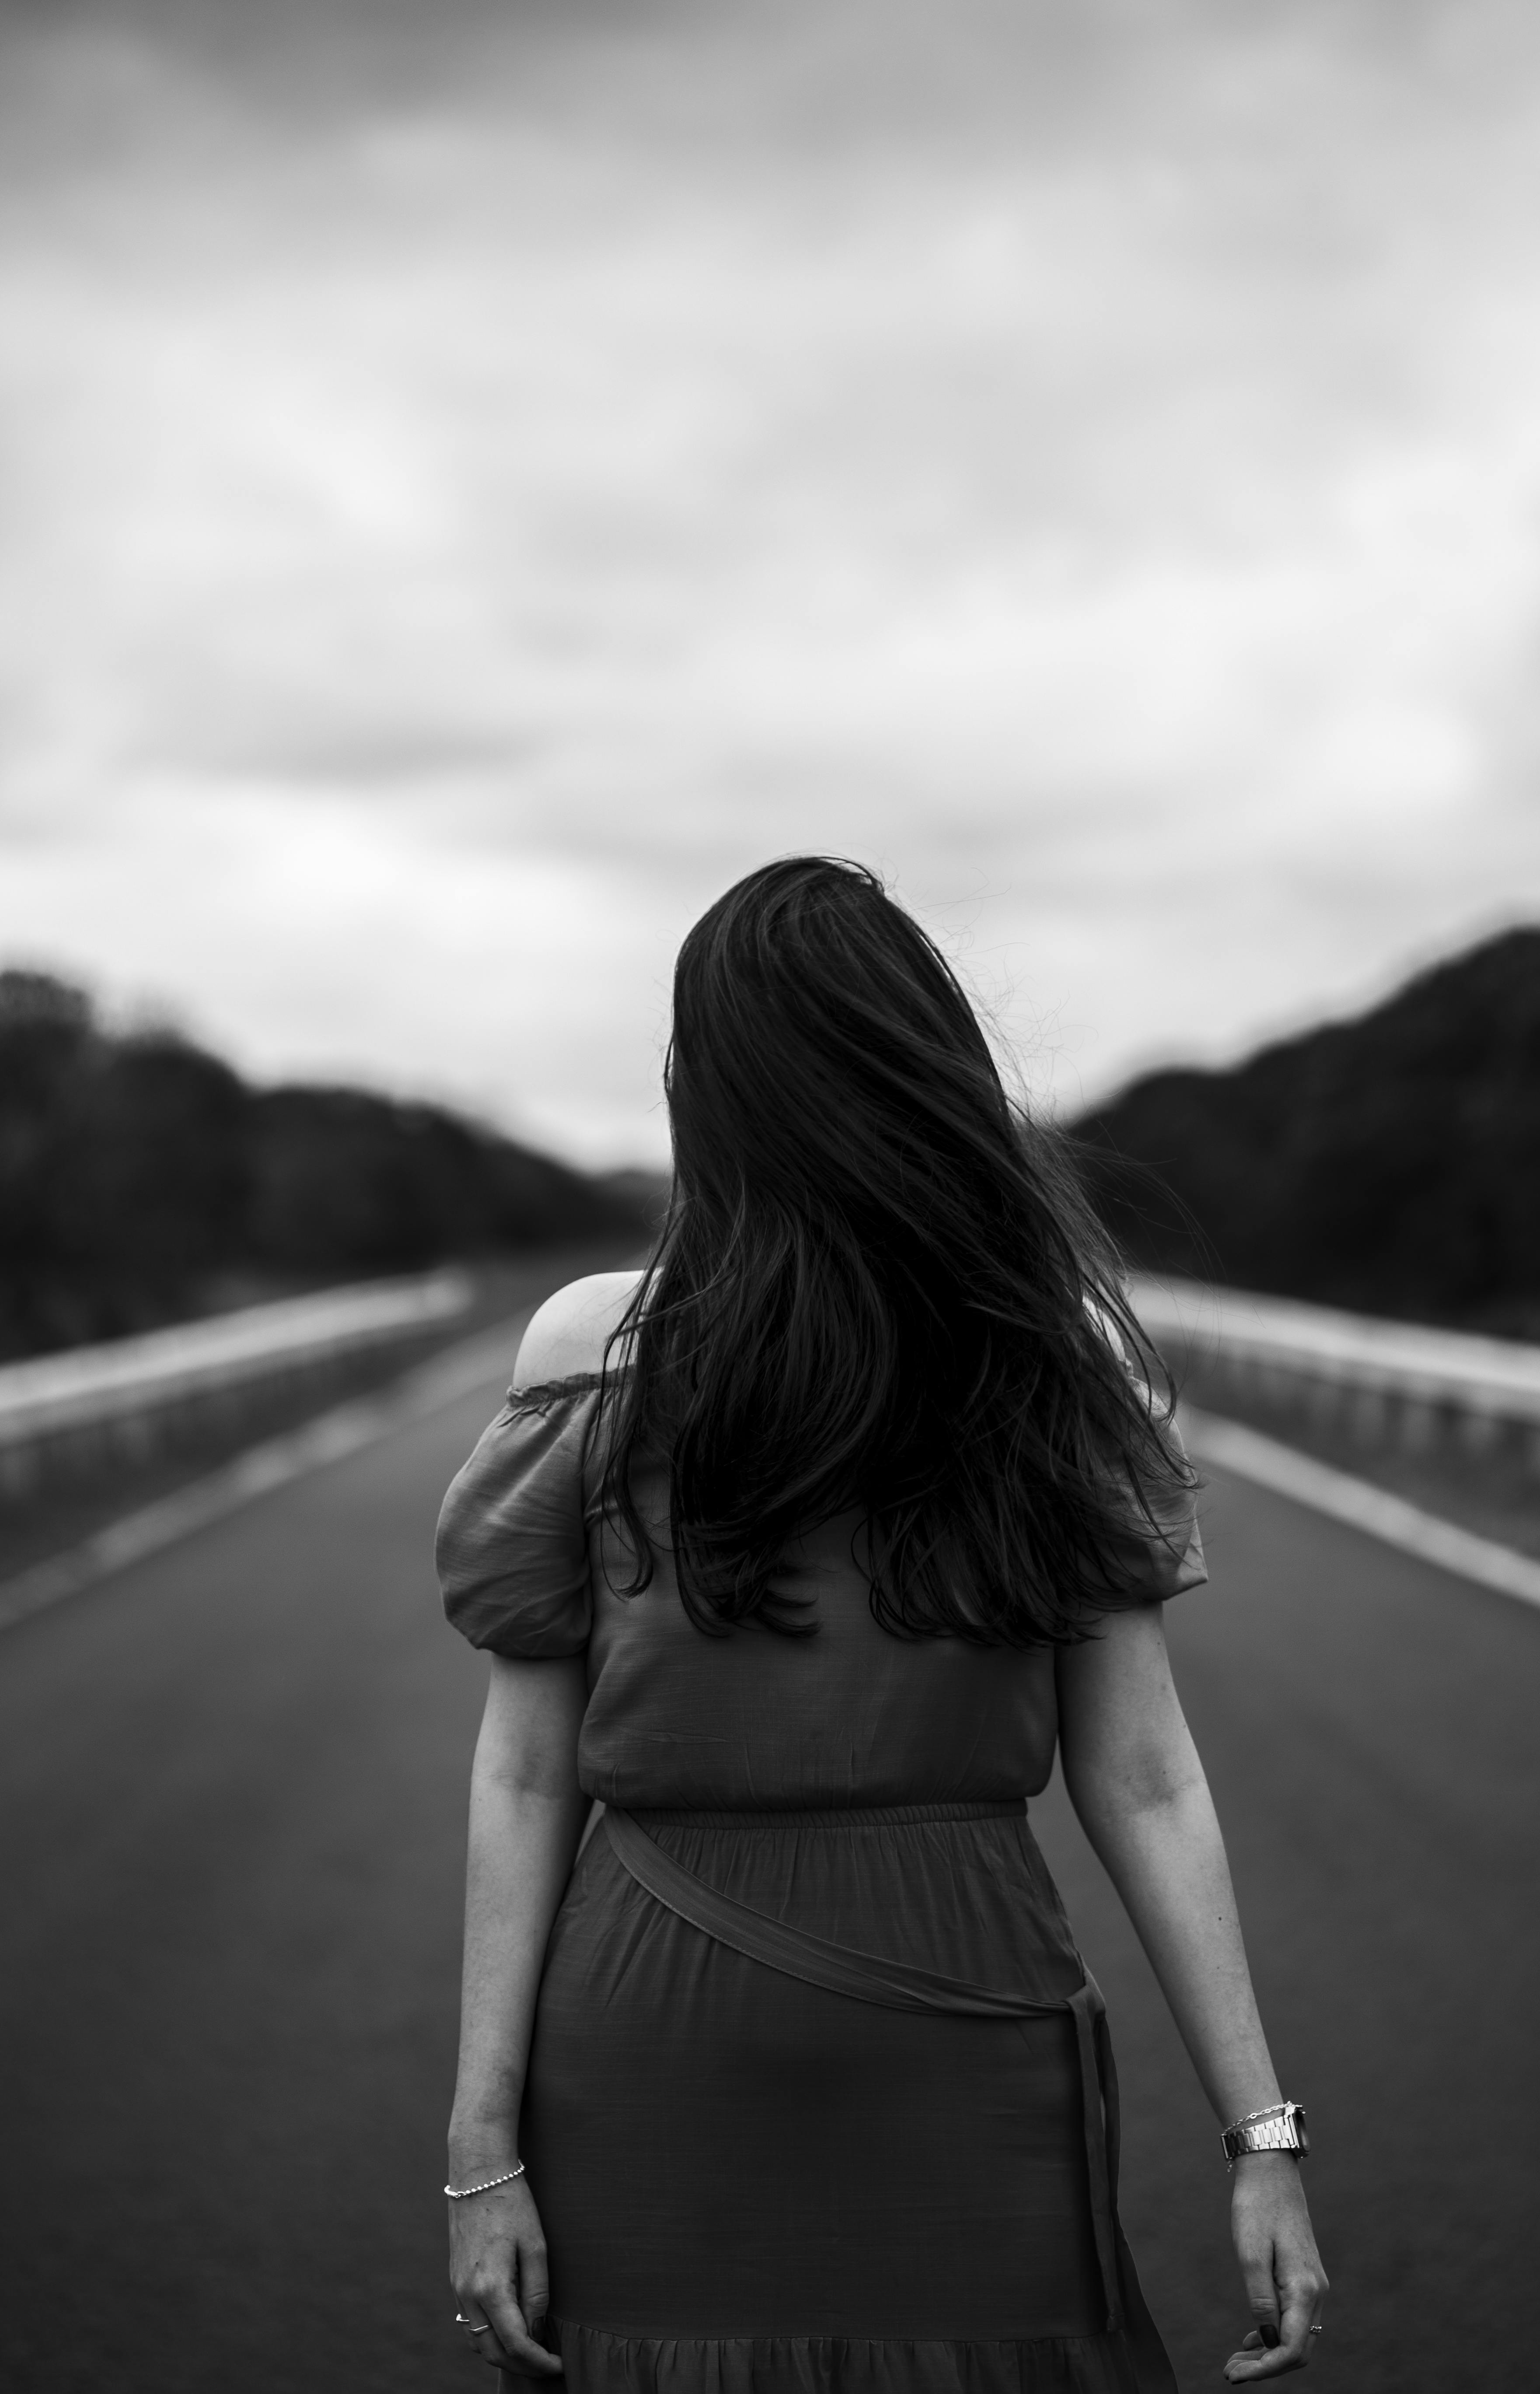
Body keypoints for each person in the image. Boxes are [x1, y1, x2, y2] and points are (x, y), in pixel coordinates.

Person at [436, 857, 1327, 2393]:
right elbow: (1149, 1778)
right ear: (928, 1075)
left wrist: (1266, 2139)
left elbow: (526, 1776)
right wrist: (1264, 2145)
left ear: (702, 1090)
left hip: (676, 2011)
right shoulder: (1048, 1354)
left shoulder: (604, 1349)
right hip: (947, 2000)